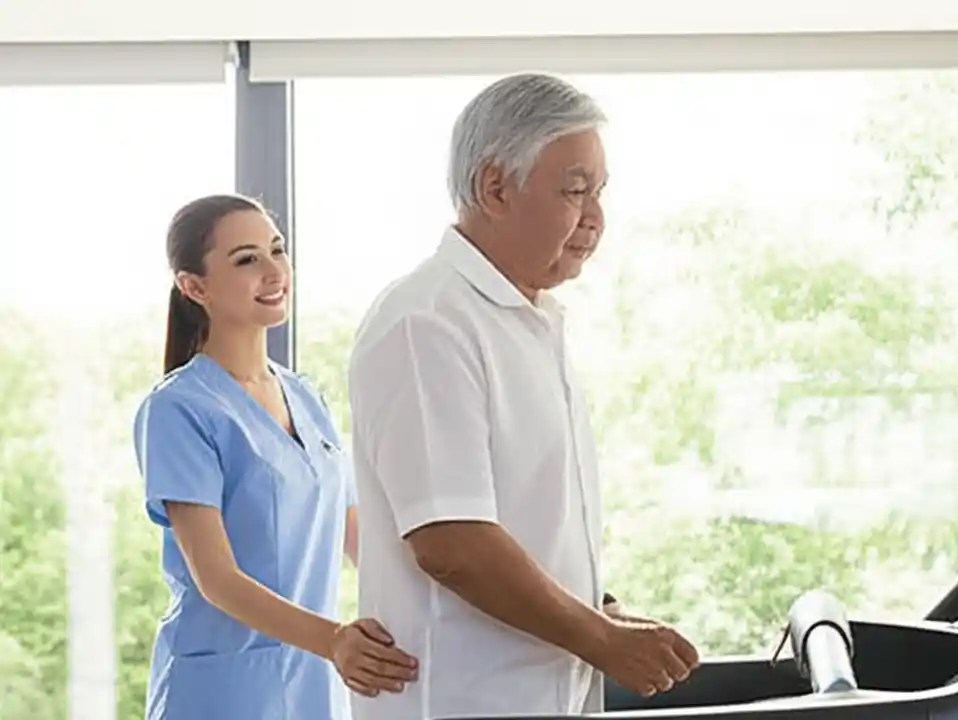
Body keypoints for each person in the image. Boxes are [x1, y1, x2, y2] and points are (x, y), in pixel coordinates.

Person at [347, 73, 700, 720]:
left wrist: (601, 612)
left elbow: (530, 520)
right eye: (574, 190)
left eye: (599, 192)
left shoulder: (530, 322)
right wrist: (600, 640)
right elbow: (452, 543)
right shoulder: (427, 322)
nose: (595, 218)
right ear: (495, 188)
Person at [132, 194, 419, 720]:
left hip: (313, 690)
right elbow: (216, 579)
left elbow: (361, 539)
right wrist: (334, 640)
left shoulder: (306, 398)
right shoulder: (178, 409)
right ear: (194, 287)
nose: (274, 271)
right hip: (221, 696)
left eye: (277, 250)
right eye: (247, 259)